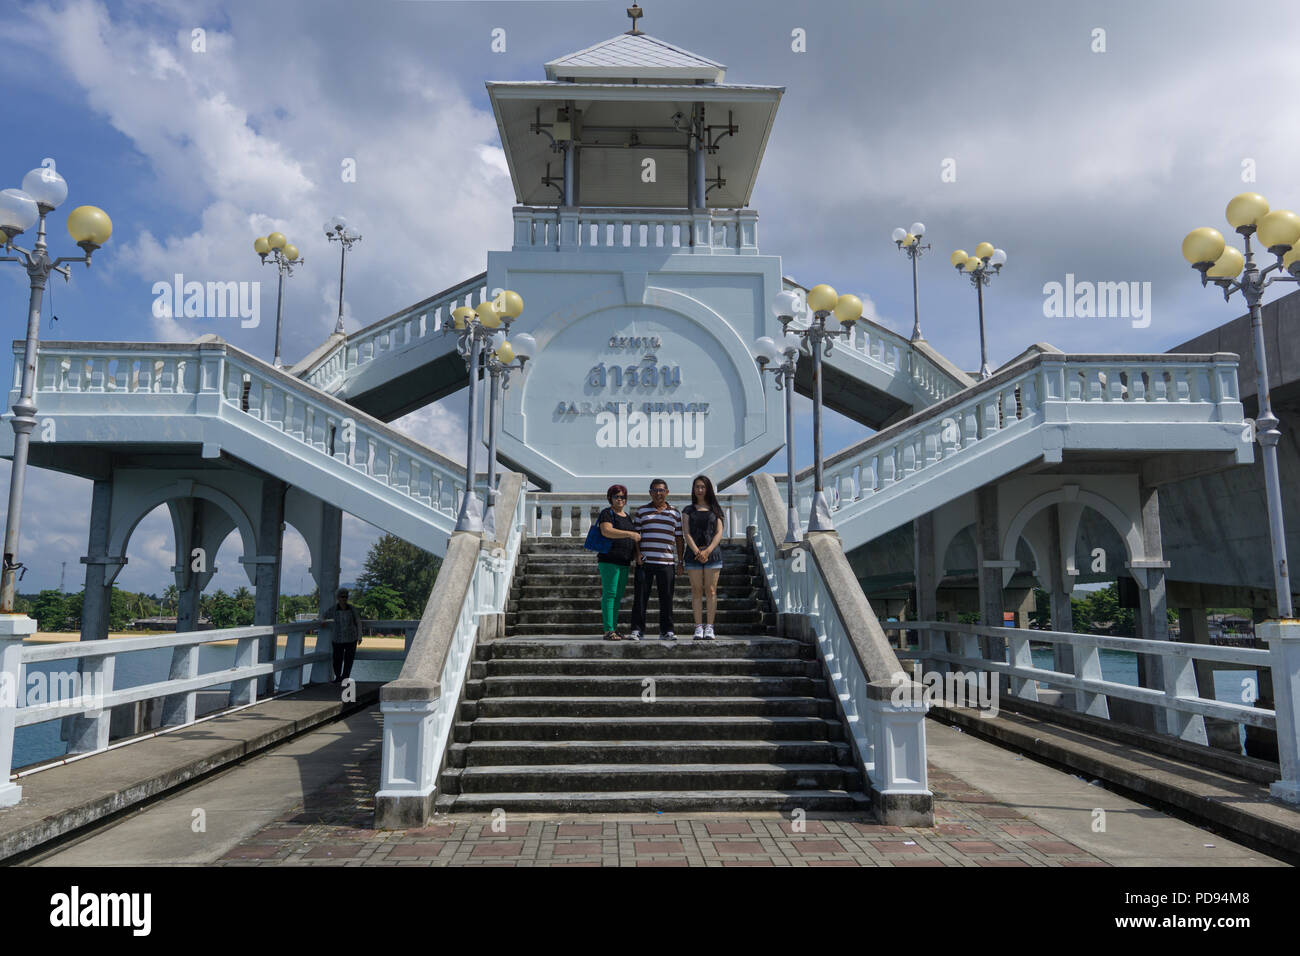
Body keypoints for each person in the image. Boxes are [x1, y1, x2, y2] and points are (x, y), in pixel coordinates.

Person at [629, 478, 684, 641]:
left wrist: (680, 561)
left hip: (666, 563)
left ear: (667, 492)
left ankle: (667, 630)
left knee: (667, 598)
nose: (658, 493)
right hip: (645, 562)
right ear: (650, 493)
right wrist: (637, 555)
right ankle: (637, 630)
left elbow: (680, 539)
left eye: (661, 490)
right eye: (655, 490)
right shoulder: (641, 511)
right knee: (640, 597)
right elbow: (636, 537)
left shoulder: (675, 513)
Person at [682, 474, 725, 640]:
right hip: (693, 555)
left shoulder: (716, 509)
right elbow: (686, 532)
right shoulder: (688, 510)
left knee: (711, 590)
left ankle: (710, 627)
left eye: (702, 487)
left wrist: (708, 551)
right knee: (696, 590)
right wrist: (697, 551)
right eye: (697, 487)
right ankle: (698, 627)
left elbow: (719, 532)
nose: (700, 490)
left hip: (713, 555)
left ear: (708, 489)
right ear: (693, 489)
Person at [597, 484, 640, 640]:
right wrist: (629, 534)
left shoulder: (627, 516)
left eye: (623, 497)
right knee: (610, 594)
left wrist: (637, 555)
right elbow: (607, 531)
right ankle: (608, 630)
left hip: (624, 561)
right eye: (616, 496)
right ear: (610, 498)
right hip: (609, 560)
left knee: (618, 595)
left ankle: (613, 629)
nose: (620, 499)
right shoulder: (607, 513)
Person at [326, 587, 362, 683]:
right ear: (338, 598)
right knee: (337, 659)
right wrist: (323, 621)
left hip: (351, 638)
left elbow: (358, 621)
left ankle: (345, 678)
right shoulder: (333, 609)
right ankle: (338, 676)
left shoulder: (352, 609)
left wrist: (360, 636)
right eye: (342, 597)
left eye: (345, 597)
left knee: (348, 660)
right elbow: (324, 616)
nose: (344, 599)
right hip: (337, 638)